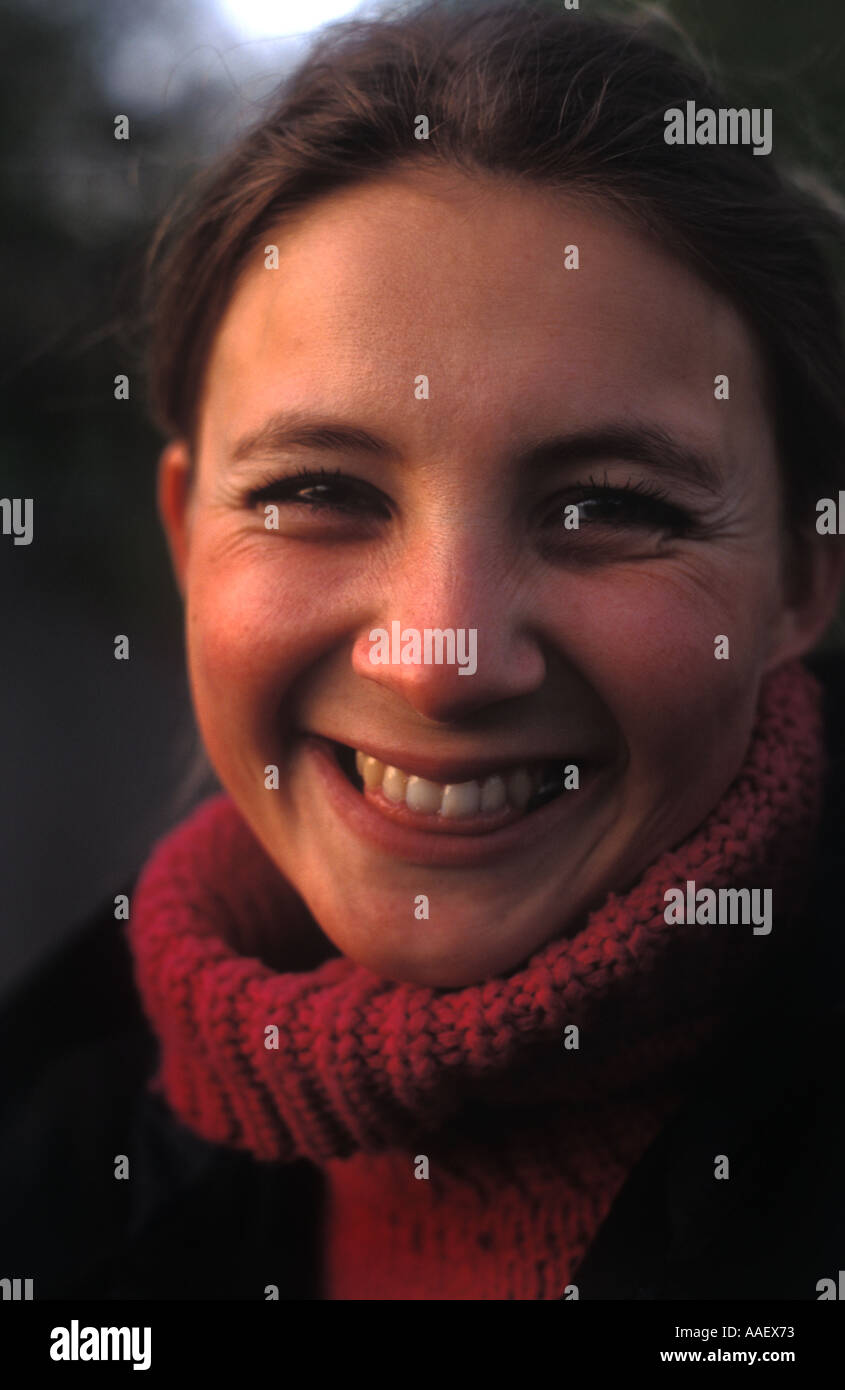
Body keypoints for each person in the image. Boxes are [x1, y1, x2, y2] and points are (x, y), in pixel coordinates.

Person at [2, 0, 845, 1302]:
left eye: (609, 506)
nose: (439, 659)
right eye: (318, 491)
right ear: (187, 538)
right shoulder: (50, 1176)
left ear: (801, 577)